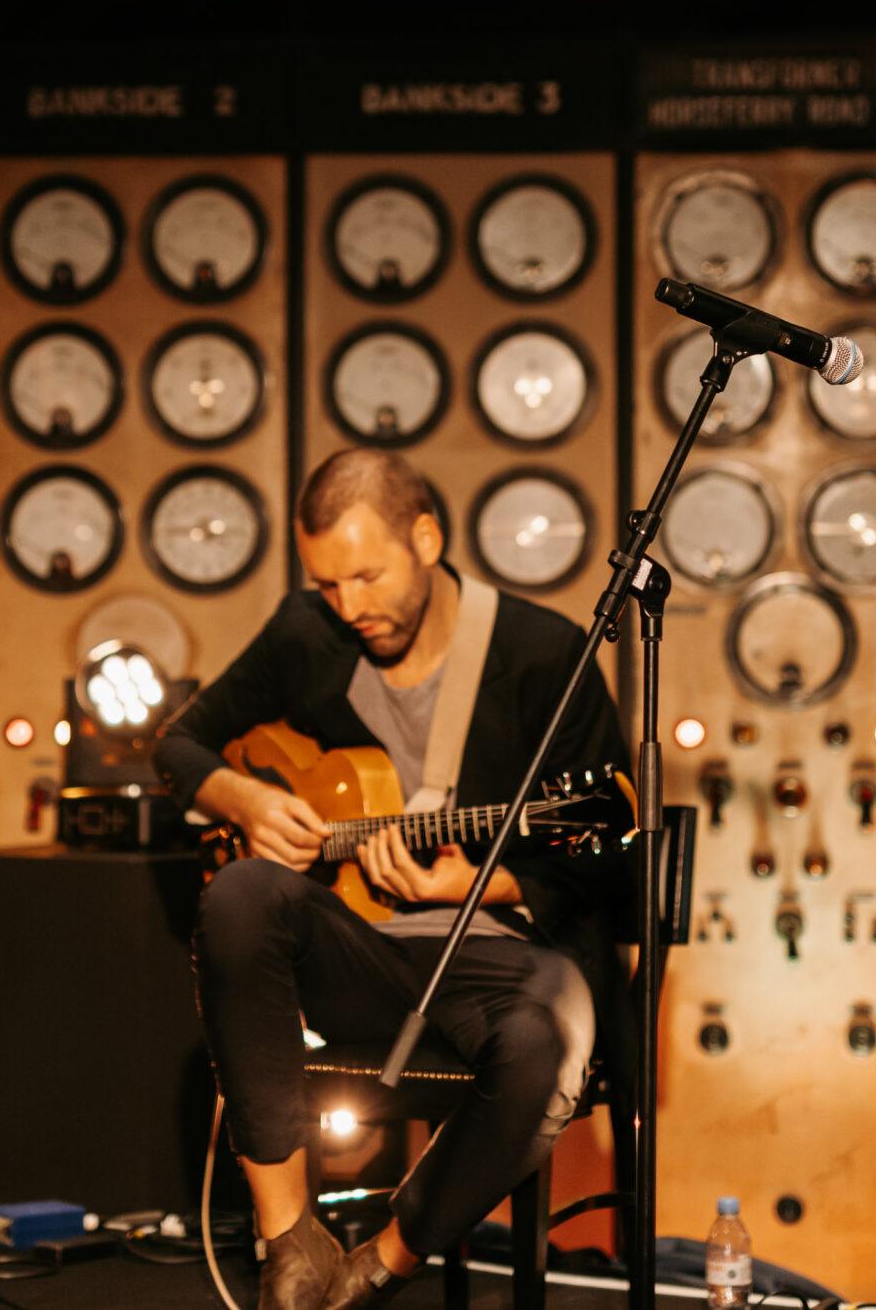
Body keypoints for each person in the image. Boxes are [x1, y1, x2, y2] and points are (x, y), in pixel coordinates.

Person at [155, 448, 629, 1310]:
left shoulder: (542, 654)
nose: (351, 607)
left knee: (545, 1042)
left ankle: (376, 1264)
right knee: (238, 894)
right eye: (329, 584)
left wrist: (480, 888)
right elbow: (179, 744)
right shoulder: (310, 632)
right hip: (361, 957)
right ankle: (290, 1241)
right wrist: (250, 800)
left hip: (499, 964)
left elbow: (621, 865)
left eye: (367, 576)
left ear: (427, 536)